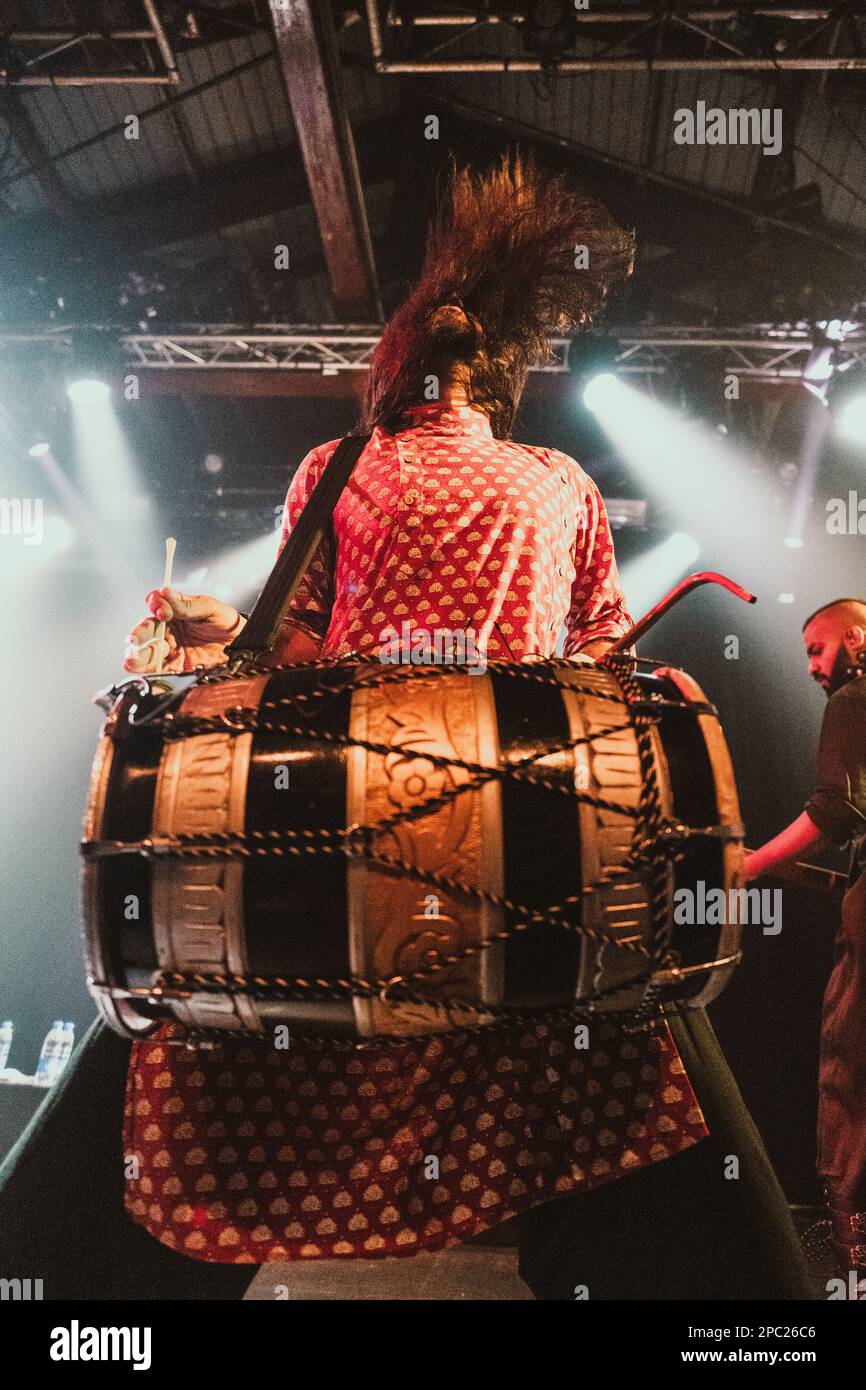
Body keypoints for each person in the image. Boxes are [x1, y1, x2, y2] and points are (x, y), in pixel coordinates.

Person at [0, 154, 812, 1300]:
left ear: (402, 376)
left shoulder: (333, 471)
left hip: (348, 852)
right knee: (660, 1116)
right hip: (526, 844)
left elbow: (295, 659)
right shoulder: (560, 483)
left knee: (178, 1054)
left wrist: (209, 640)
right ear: (494, 382)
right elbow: (599, 668)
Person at [746, 597, 866, 1281]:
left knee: (848, 1056)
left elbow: (839, 804)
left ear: (857, 638)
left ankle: (848, 1235)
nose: (813, 669)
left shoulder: (854, 699)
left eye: (818, 650)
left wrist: (754, 863)